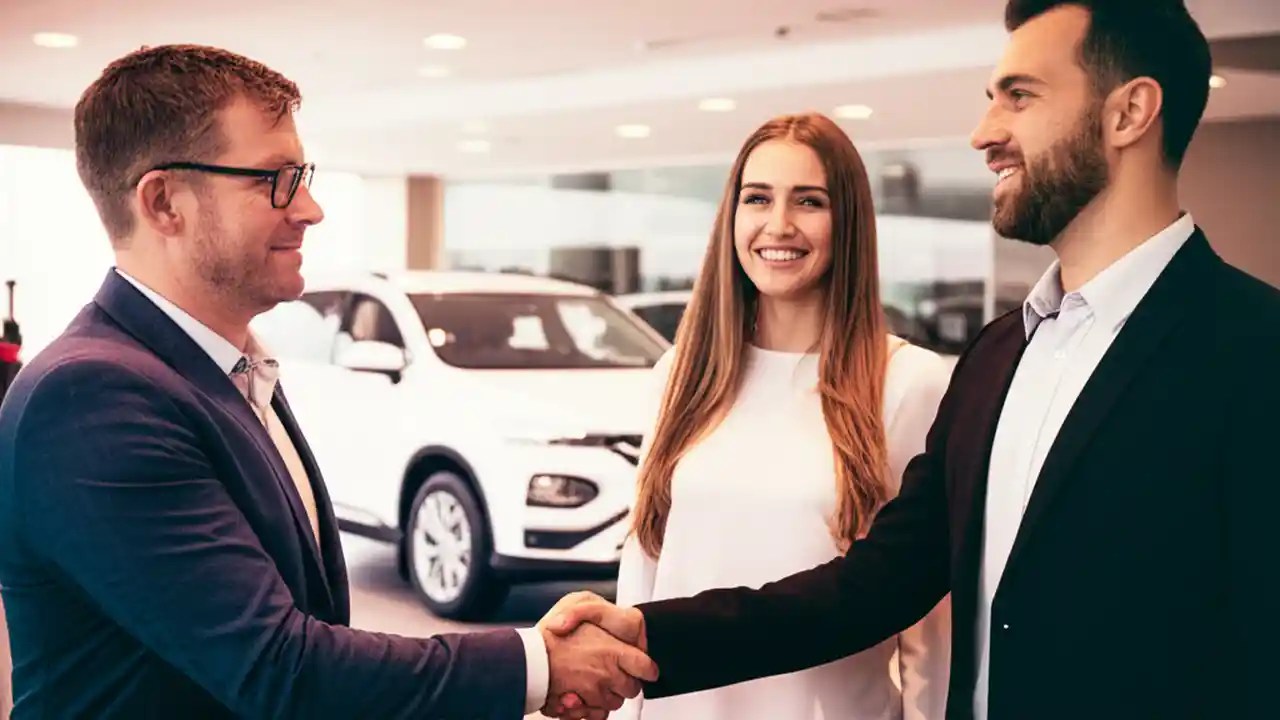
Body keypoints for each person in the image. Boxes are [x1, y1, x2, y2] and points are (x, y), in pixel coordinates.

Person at [545, 2, 1280, 719]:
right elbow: (875, 587)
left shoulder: (1255, 350)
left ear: (1129, 113)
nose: (983, 133)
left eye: (1019, 97)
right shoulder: (998, 358)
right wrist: (650, 634)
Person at [0, 44, 654, 719]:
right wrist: (538, 665)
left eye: (303, 175)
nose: (309, 208)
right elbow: (279, 669)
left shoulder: (229, 367)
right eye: (274, 179)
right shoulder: (92, 399)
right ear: (164, 202)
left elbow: (303, 630)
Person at [613, 112, 951, 720]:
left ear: (847, 220)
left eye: (809, 201)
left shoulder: (910, 383)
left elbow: (929, 628)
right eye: (758, 198)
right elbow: (645, 571)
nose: (778, 225)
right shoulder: (679, 377)